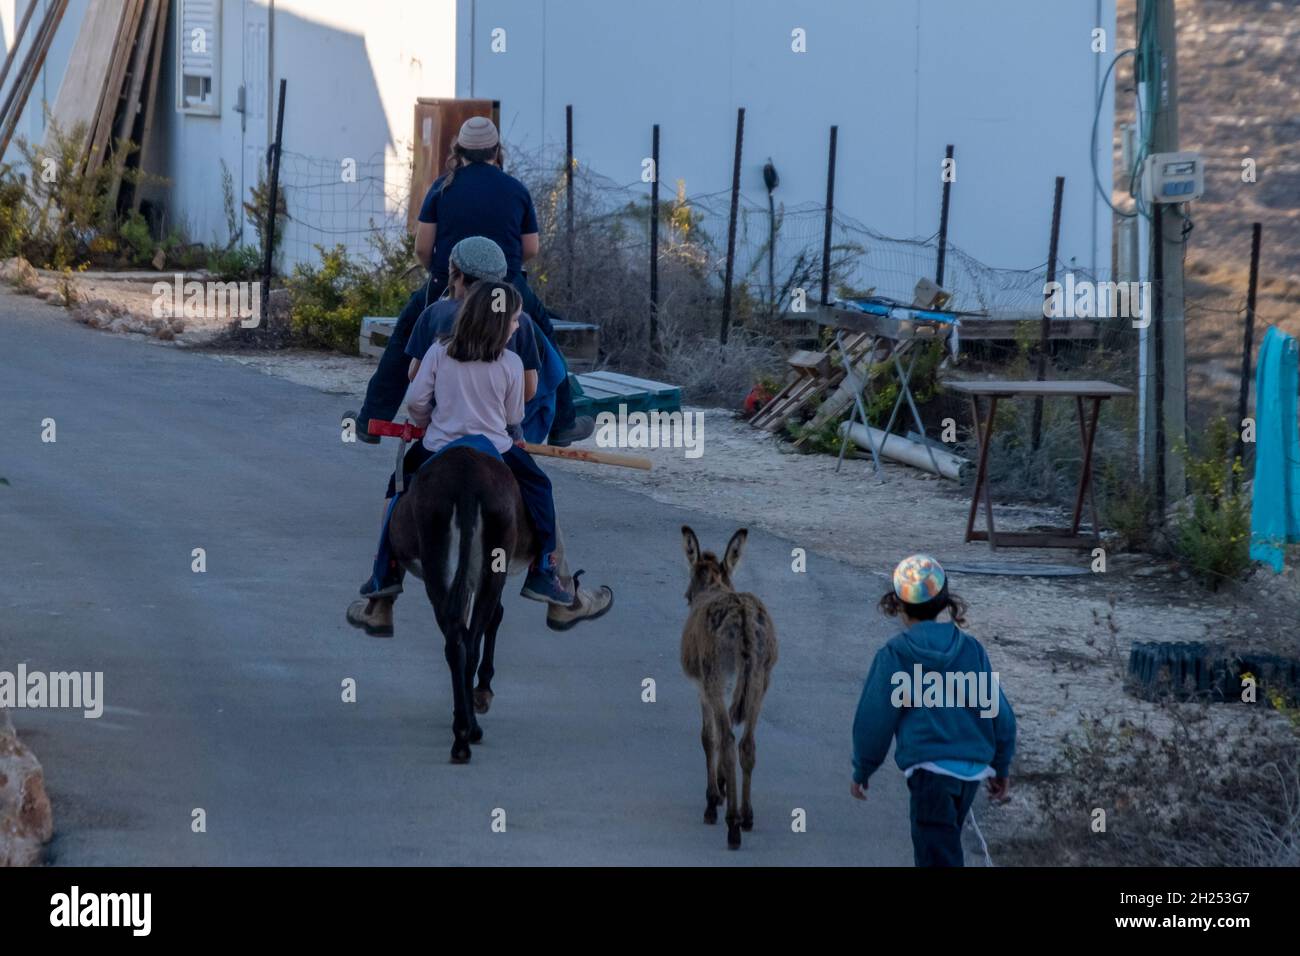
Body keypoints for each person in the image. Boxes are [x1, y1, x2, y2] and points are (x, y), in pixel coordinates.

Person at [348, 116, 592, 446]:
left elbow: (422, 246)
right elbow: (530, 247)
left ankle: (371, 420)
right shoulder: (515, 189)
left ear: (459, 151)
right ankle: (563, 424)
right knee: (545, 338)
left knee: (405, 335)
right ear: (496, 151)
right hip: (505, 286)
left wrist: (440, 274)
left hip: (452, 282)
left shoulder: (442, 187)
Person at [360, 282, 578, 611]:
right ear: (498, 324)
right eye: (515, 320)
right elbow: (513, 414)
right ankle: (544, 570)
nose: (518, 326)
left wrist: (424, 423)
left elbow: (416, 401)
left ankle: (385, 571)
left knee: (397, 489)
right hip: (494, 448)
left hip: (438, 445)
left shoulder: (437, 352)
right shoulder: (512, 364)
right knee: (540, 487)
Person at [849, 554, 1016, 867]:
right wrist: (1001, 766)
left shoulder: (896, 654)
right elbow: (1001, 715)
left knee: (936, 855)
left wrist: (863, 768)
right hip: (971, 772)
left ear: (897, 605)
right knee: (945, 846)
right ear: (945, 602)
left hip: (930, 774)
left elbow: (874, 721)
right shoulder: (971, 650)